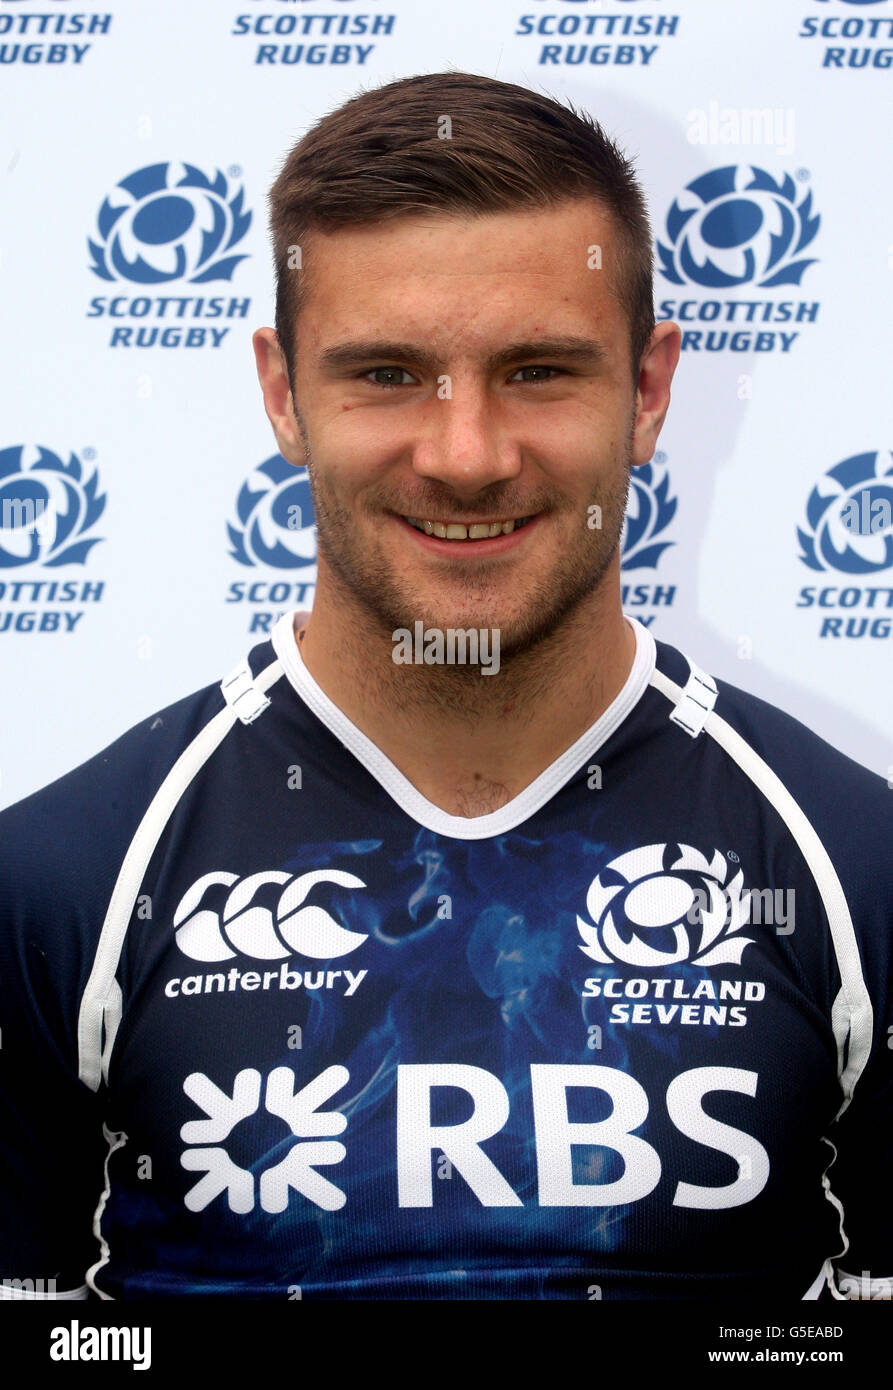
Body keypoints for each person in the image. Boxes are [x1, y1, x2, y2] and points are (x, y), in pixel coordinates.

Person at [0, 71, 889, 1302]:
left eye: (536, 371)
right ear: (282, 394)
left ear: (646, 390)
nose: (465, 455)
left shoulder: (854, 871)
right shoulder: (60, 886)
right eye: (385, 373)